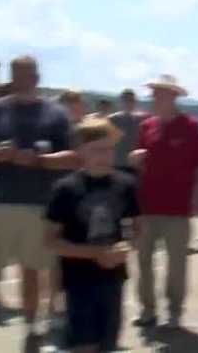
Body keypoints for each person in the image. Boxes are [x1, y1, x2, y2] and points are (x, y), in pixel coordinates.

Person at [0, 56, 79, 343]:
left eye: (26, 74)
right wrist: (0, 155)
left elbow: (72, 157)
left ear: (37, 77)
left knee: (31, 270)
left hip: (39, 204)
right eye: (16, 73)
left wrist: (40, 160)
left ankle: (31, 327)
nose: (21, 79)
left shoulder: (55, 114)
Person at [44, 118, 138, 353]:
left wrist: (126, 247)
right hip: (78, 280)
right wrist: (94, 253)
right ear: (81, 151)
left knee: (108, 343)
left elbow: (138, 229)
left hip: (114, 279)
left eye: (109, 149)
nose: (104, 156)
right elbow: (50, 240)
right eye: (97, 150)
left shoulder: (125, 184)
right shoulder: (65, 188)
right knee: (83, 344)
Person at [128, 74, 198, 328]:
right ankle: (147, 311)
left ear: (173, 96)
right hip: (146, 205)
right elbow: (137, 162)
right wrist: (133, 159)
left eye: (159, 92)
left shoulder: (191, 126)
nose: (154, 97)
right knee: (143, 261)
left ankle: (174, 312)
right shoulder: (146, 126)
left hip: (178, 208)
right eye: (153, 92)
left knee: (177, 264)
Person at [108, 89, 145, 170]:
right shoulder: (112, 120)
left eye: (131, 100)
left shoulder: (142, 120)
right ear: (121, 101)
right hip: (116, 164)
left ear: (135, 102)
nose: (128, 103)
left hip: (136, 166)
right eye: (126, 100)